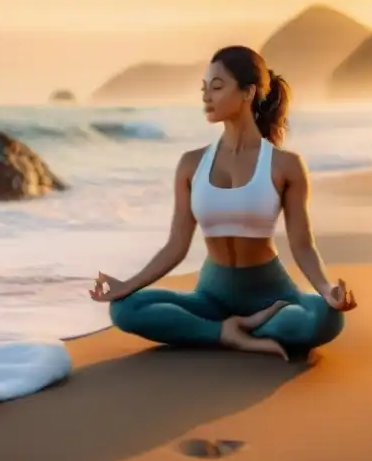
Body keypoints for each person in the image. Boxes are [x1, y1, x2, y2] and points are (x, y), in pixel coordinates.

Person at [89, 45, 356, 361]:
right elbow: (176, 246)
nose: (206, 96)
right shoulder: (191, 164)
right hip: (211, 296)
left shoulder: (285, 165)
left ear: (248, 92)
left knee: (326, 319)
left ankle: (241, 326)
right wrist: (126, 285)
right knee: (125, 309)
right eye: (204, 88)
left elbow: (302, 245)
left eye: (217, 87)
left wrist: (326, 289)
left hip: (270, 296)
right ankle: (226, 332)